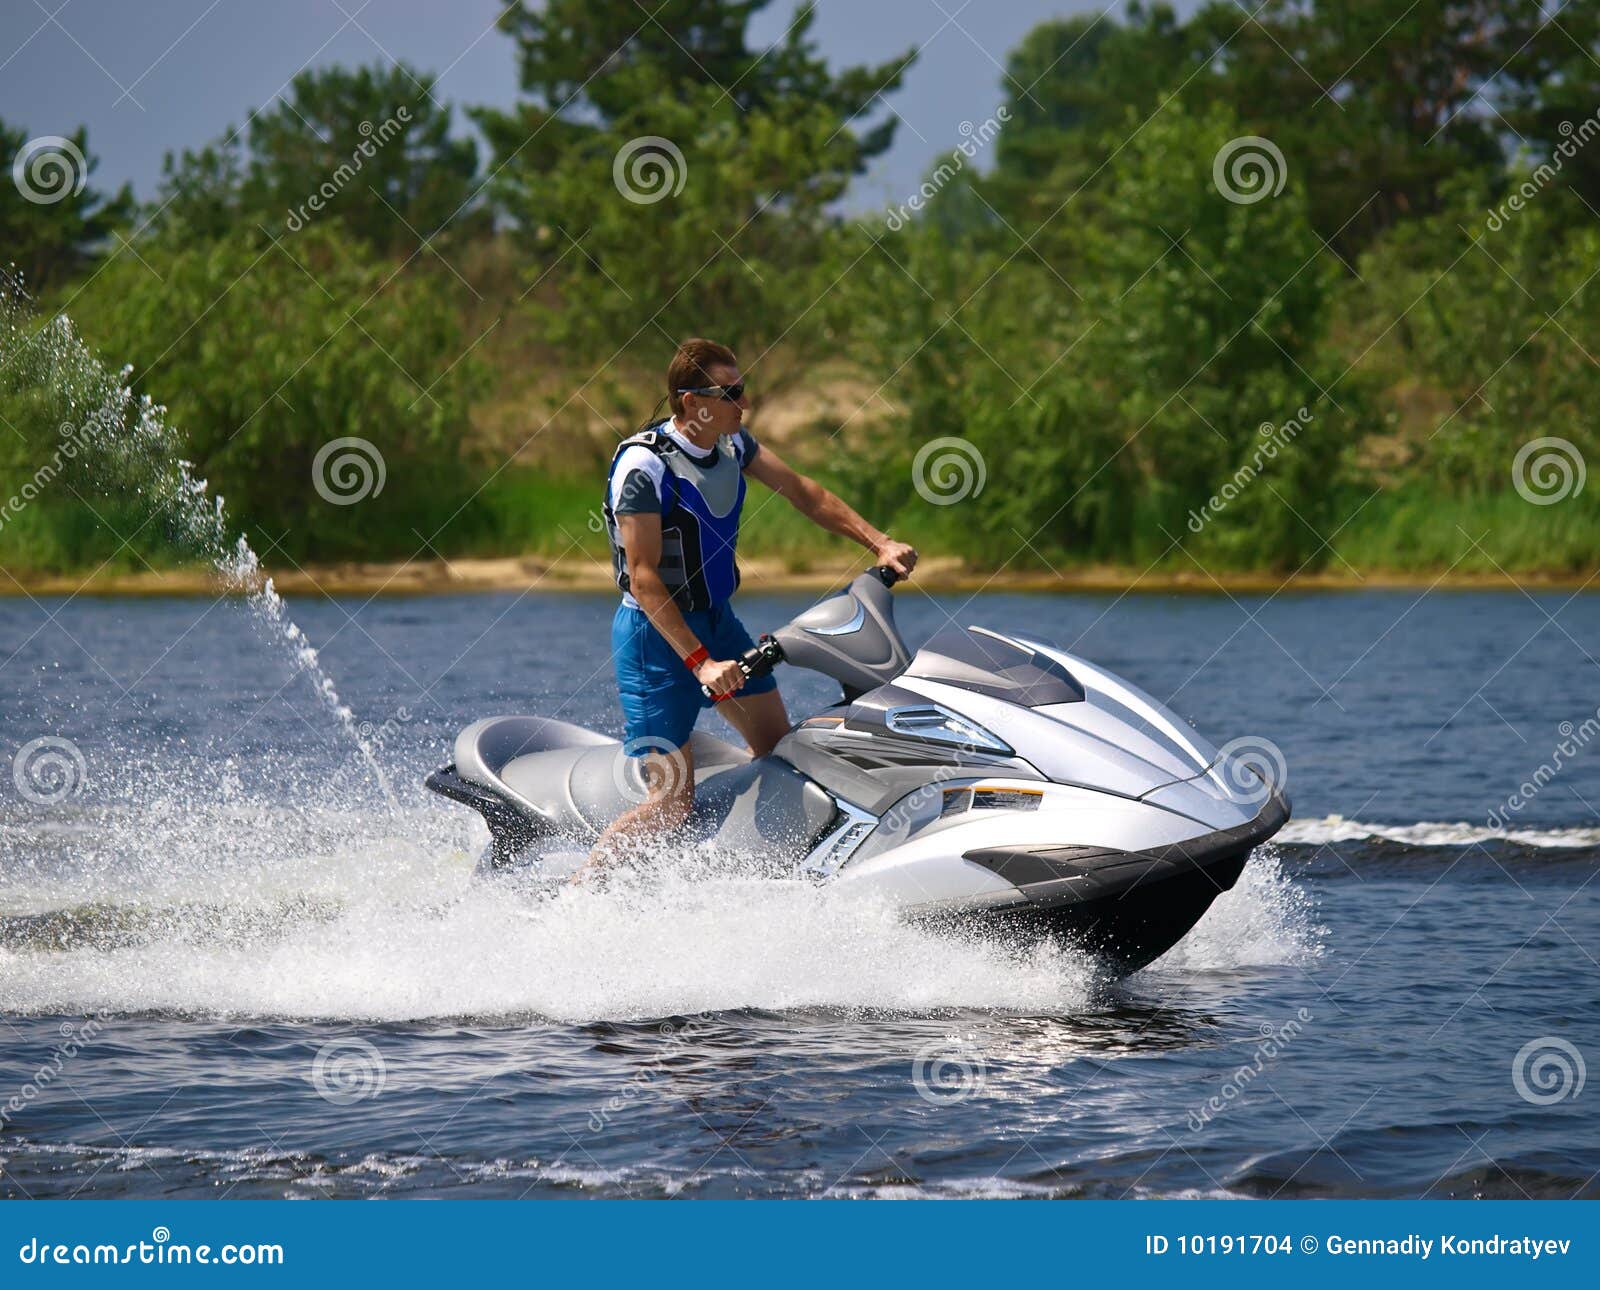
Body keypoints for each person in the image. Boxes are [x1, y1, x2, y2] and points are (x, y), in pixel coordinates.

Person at [581, 337, 916, 876]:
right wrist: (702, 664)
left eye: (743, 390)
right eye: (731, 392)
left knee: (780, 751)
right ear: (693, 402)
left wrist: (878, 542)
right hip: (655, 638)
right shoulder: (644, 467)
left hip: (718, 621)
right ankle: (577, 897)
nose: (745, 403)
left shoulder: (734, 447)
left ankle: (766, 870)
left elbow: (804, 492)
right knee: (670, 805)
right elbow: (644, 580)